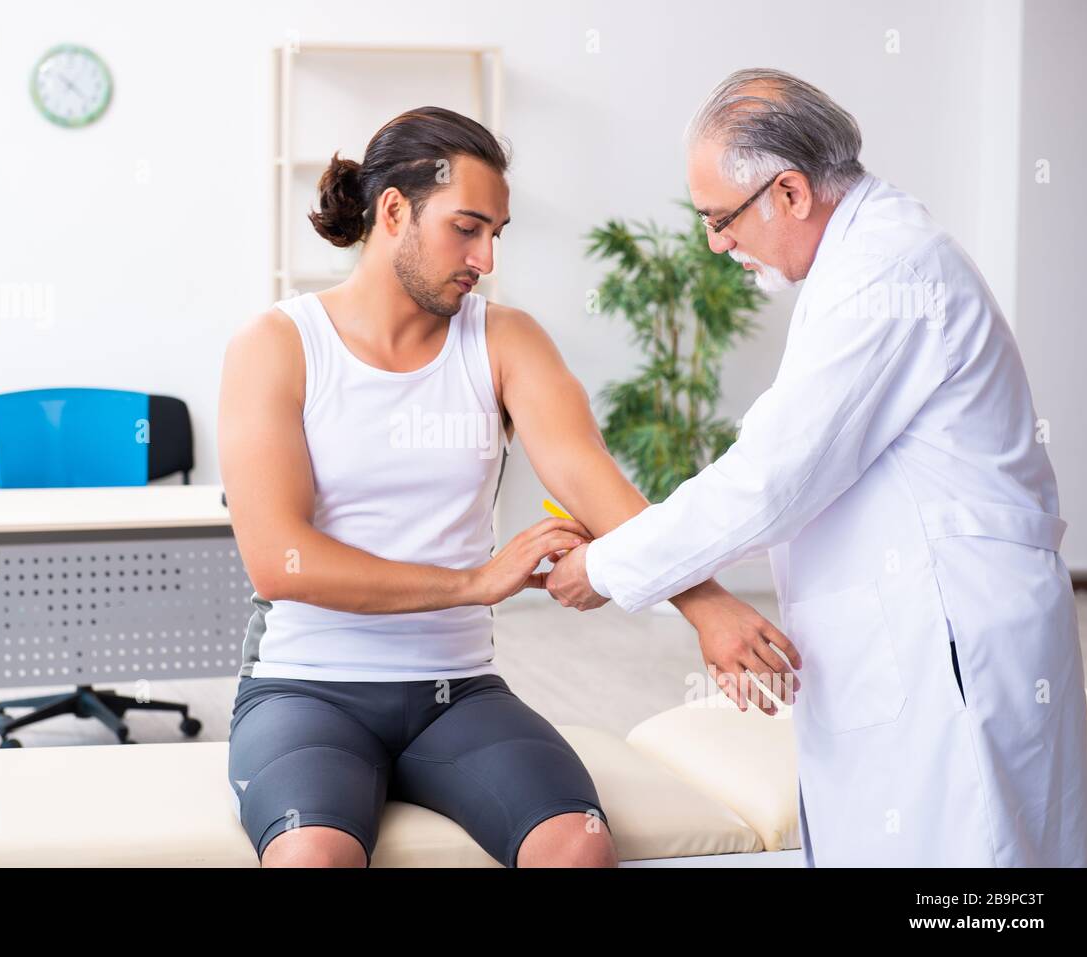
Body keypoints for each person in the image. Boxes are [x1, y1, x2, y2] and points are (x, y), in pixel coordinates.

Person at [217, 106, 796, 867]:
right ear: (394, 211)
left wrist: (707, 604)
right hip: (305, 691)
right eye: (467, 227)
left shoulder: (504, 340)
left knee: (578, 845)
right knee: (313, 855)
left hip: (456, 695)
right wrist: (474, 582)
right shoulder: (279, 346)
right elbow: (281, 562)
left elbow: (594, 484)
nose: (486, 258)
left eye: (498, 232)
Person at [548, 68, 1087, 867]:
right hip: (900, 644)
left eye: (720, 219)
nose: (716, 243)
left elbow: (772, 481)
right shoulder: (857, 267)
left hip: (953, 649)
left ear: (792, 193)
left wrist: (605, 565)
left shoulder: (891, 272)